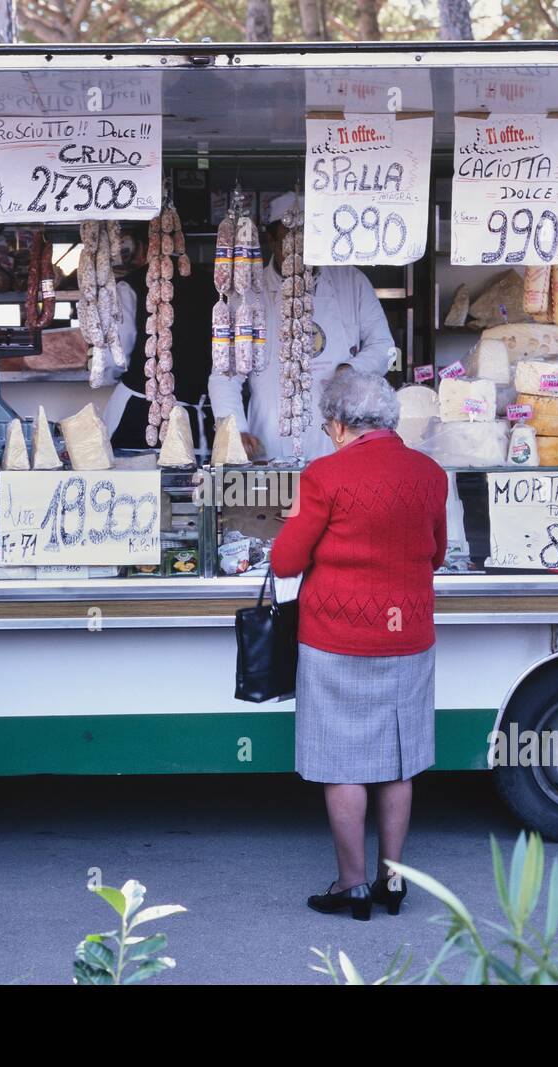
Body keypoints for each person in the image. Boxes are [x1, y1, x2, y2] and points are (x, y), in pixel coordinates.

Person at [270, 368, 448, 920]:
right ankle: (391, 881)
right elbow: (437, 554)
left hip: (335, 638)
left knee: (342, 762)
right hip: (408, 635)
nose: (329, 435)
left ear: (342, 425)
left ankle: (351, 886)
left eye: (328, 426)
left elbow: (285, 561)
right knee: (398, 761)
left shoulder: (324, 476)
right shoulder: (430, 473)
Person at [207, 192, 397, 463]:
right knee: (273, 506)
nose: (301, 251)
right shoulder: (248, 293)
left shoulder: (351, 282)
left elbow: (384, 347)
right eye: (290, 240)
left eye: (310, 240)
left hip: (340, 442)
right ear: (271, 241)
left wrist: (351, 370)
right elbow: (225, 372)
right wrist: (234, 428)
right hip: (269, 441)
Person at [102, 230, 215, 452]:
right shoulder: (212, 286)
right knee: (192, 485)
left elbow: (115, 357)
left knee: (137, 484)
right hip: (197, 419)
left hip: (138, 417)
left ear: (146, 247)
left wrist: (106, 375)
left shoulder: (128, 287)